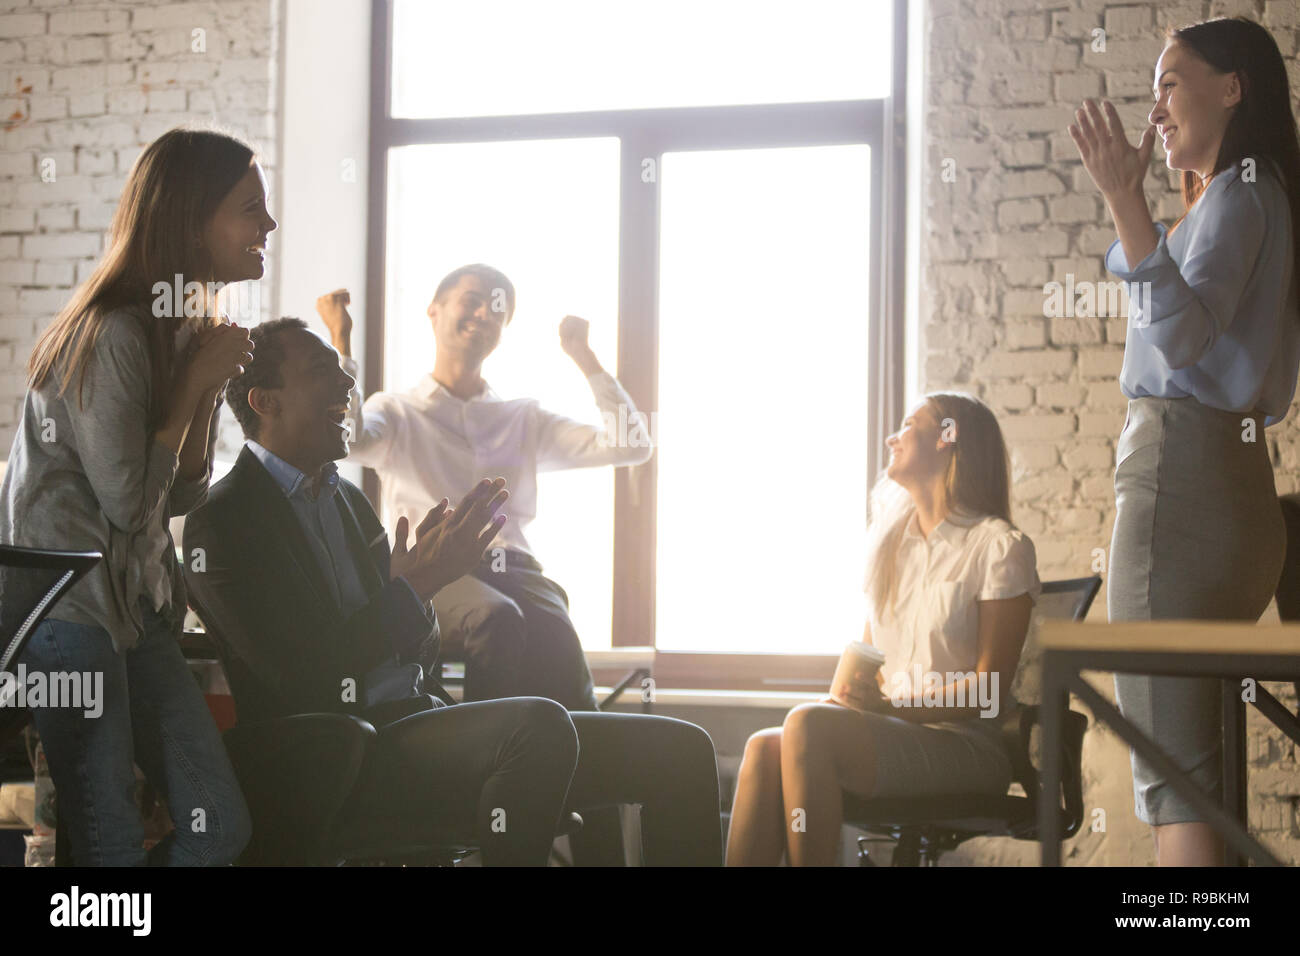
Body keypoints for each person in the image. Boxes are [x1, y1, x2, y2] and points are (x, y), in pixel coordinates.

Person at [184, 318, 723, 865]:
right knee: (537, 723)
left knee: (681, 750)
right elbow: (304, 677)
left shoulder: (347, 500)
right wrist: (422, 582)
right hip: (350, 747)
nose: (347, 385)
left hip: (418, 718)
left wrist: (414, 589)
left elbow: (411, 653)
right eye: (323, 371)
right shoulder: (223, 522)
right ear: (265, 401)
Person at [1068, 16, 1300, 866]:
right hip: (1235, 499)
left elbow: (1181, 339)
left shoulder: (1241, 191)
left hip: (1182, 492)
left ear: (1233, 87)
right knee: (1204, 780)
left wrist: (1125, 200)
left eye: (1171, 82)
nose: (1156, 107)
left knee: (1177, 785)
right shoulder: (1250, 192)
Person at [0, 127, 265, 865]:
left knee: (220, 824)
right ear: (189, 221)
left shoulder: (176, 330)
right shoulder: (114, 332)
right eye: (249, 209)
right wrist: (188, 387)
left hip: (136, 610)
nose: (266, 227)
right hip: (67, 610)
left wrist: (204, 388)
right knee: (106, 837)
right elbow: (125, 503)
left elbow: (178, 497)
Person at [725, 393, 1040, 866]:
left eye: (909, 424)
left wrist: (894, 707)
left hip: (966, 744)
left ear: (947, 438)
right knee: (767, 745)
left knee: (807, 725)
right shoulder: (893, 549)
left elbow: (989, 691)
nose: (893, 437)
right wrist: (849, 697)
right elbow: (868, 666)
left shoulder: (998, 547)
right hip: (894, 730)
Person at [315, 271, 652, 710]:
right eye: (470, 301)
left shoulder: (522, 417)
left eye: (497, 310)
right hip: (440, 568)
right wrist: (342, 344)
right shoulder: (397, 411)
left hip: (518, 573)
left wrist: (585, 358)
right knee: (498, 619)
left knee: (562, 660)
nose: (483, 314)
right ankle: (484, 756)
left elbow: (631, 445)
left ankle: (568, 768)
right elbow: (349, 438)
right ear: (433, 311)